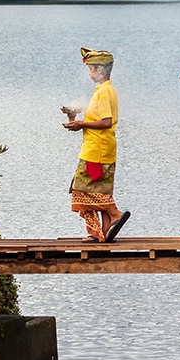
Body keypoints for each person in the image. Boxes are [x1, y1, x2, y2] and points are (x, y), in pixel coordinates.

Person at [63, 47, 130, 243]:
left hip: (97, 151)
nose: (90, 73)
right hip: (97, 148)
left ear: (101, 69)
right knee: (97, 189)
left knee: (83, 189)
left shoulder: (106, 92)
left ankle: (114, 212)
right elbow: (95, 117)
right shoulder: (100, 91)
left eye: (92, 69)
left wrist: (81, 124)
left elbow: (107, 122)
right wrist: (73, 115)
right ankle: (100, 232)